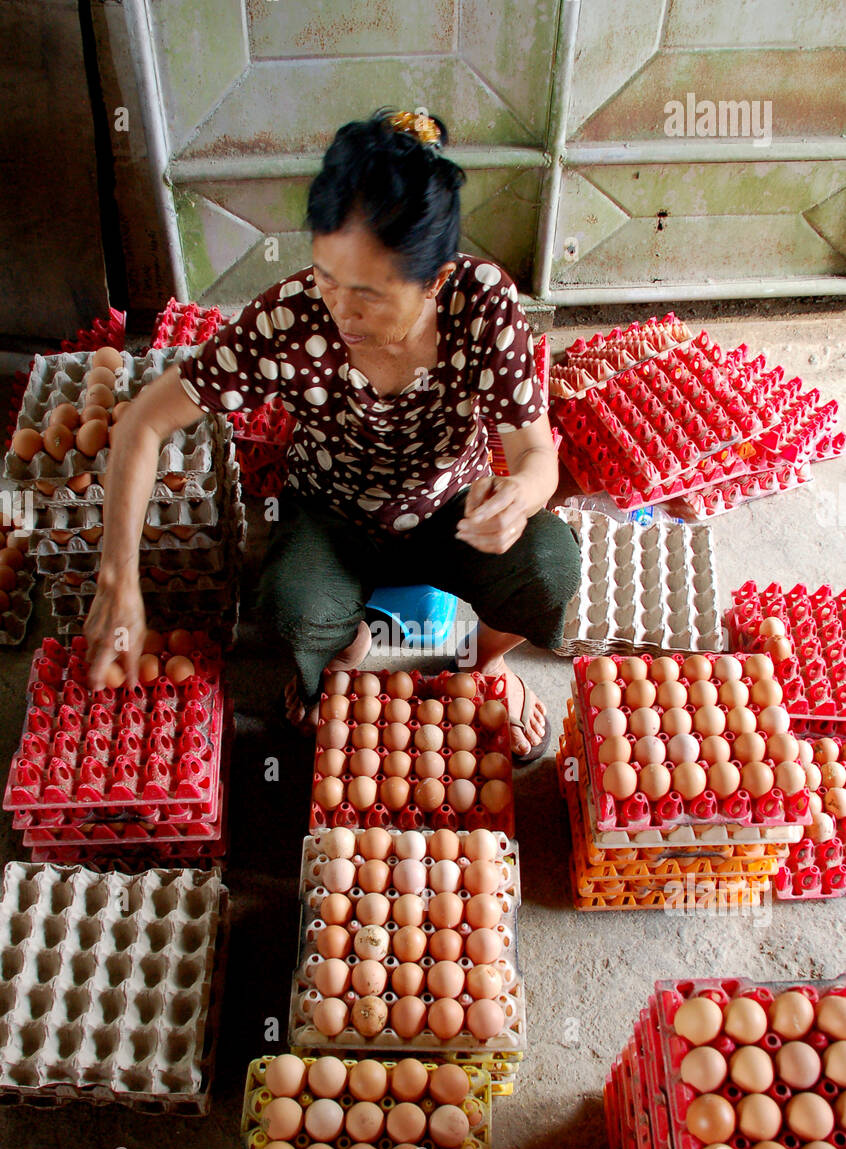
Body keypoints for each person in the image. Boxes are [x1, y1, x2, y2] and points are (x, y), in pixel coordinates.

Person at [84, 107, 580, 762]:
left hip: (449, 511)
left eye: (370, 294)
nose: (340, 309)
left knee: (551, 563)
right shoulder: (291, 321)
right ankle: (343, 655)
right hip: (334, 512)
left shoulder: (484, 307)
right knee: (292, 605)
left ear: (434, 280)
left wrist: (519, 495)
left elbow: (537, 454)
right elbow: (148, 417)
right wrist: (117, 580)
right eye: (325, 275)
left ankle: (483, 662)